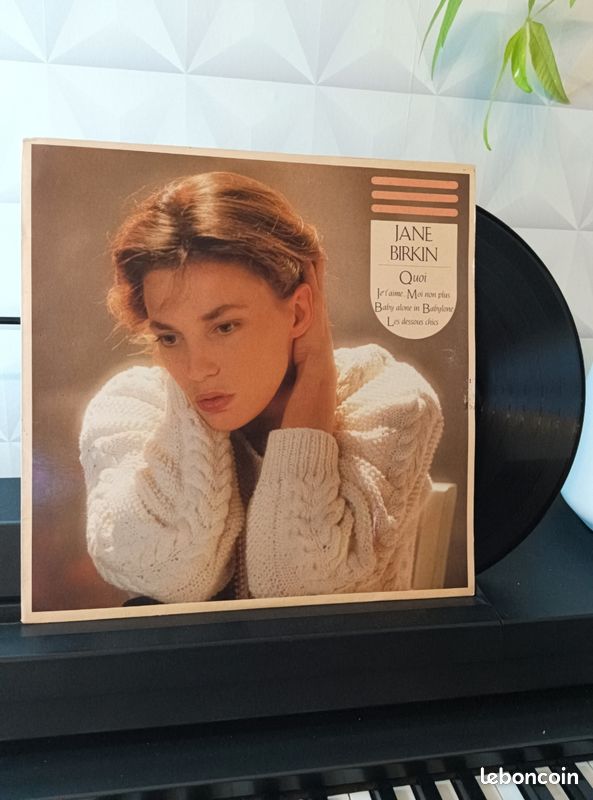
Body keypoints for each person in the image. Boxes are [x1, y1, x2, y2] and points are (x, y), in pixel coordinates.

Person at [79, 171, 444, 604]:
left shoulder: (390, 398)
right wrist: (189, 415)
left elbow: (295, 588)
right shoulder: (130, 404)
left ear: (300, 312)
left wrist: (316, 378)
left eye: (224, 327)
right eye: (170, 336)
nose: (197, 370)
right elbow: (170, 576)